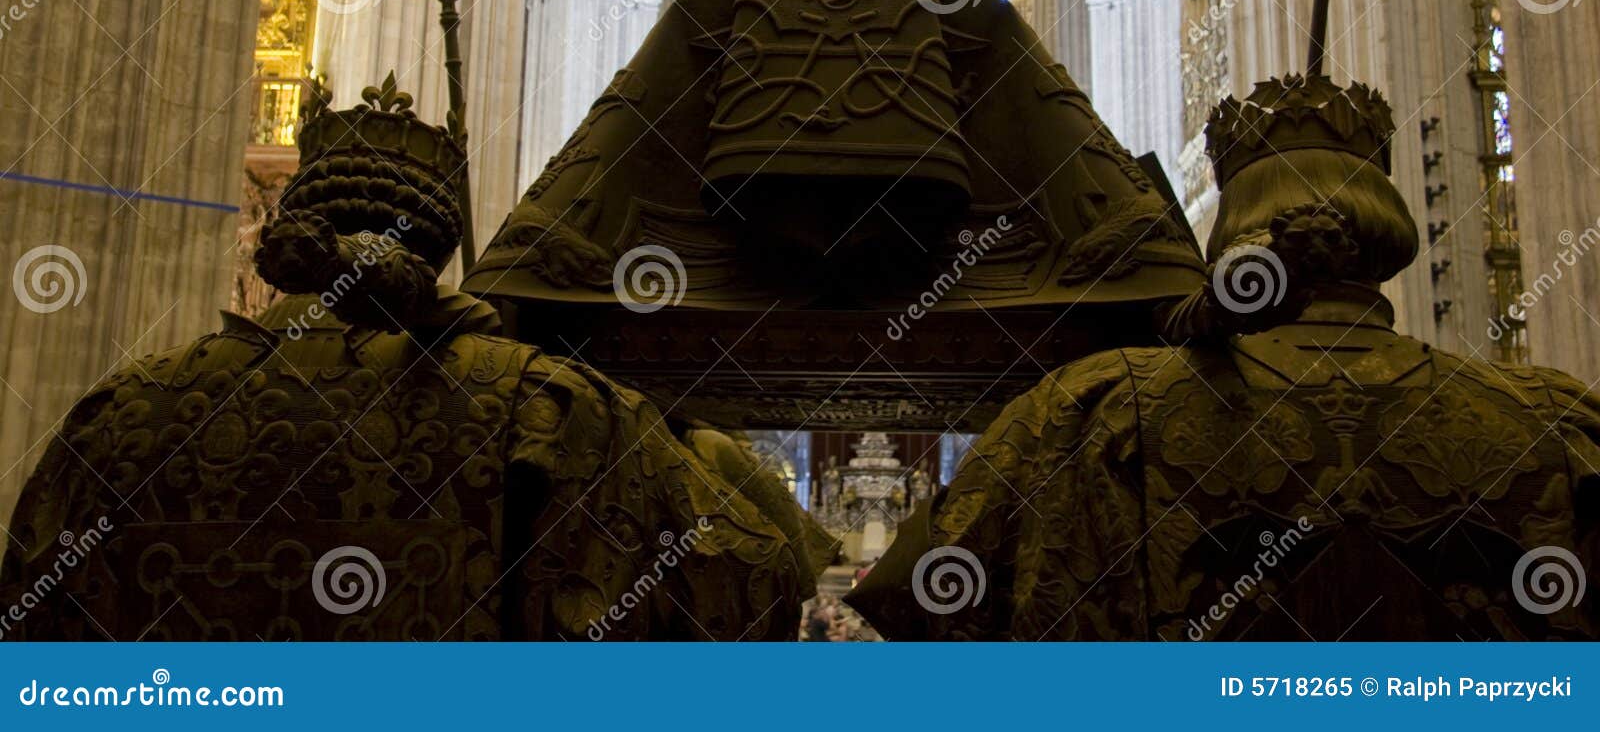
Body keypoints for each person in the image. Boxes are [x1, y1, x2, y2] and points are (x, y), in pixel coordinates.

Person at [1, 77, 823, 640]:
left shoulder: (122, 416)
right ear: (436, 248)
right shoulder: (547, 410)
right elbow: (753, 586)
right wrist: (694, 437)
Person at [849, 74, 1600, 640]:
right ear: (1385, 227)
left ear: (1236, 229)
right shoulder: (1555, 424)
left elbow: (911, 592)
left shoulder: (1096, 414)